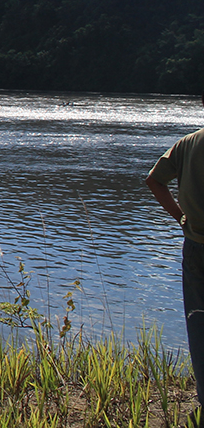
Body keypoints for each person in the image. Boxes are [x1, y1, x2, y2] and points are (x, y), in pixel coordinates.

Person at [147, 96, 204, 426]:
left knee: (198, 321)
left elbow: (154, 180)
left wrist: (180, 217)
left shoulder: (187, 143)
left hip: (195, 244)